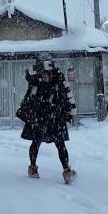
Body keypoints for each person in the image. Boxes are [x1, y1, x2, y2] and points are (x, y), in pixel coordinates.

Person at [17, 54, 77, 183]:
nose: (46, 72)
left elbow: (65, 93)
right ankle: (32, 168)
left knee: (60, 144)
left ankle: (67, 172)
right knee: (35, 142)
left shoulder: (57, 77)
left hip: (55, 115)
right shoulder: (35, 79)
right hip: (39, 116)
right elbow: (28, 75)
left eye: (48, 64)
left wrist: (70, 110)